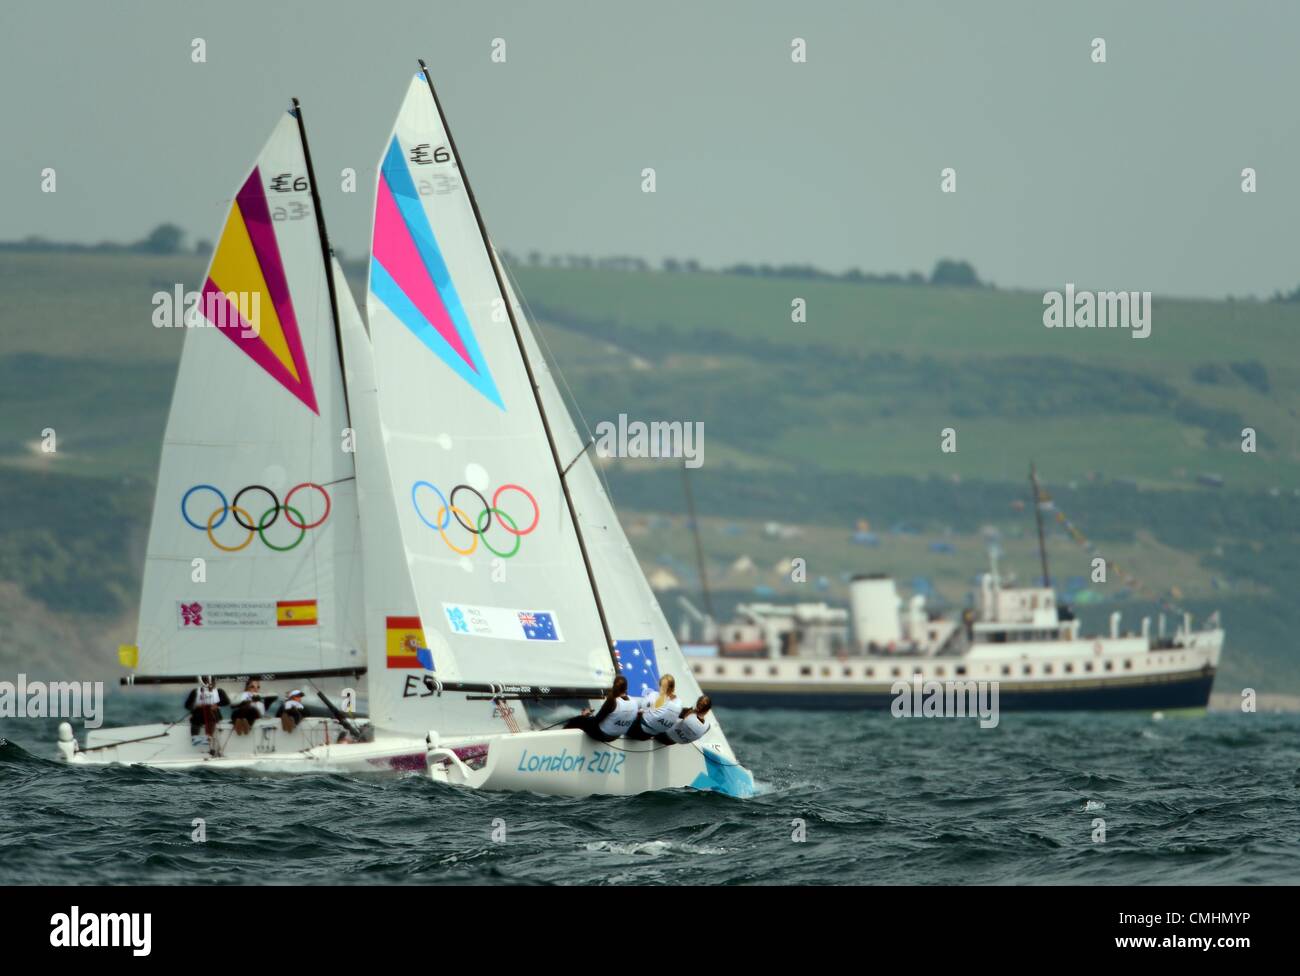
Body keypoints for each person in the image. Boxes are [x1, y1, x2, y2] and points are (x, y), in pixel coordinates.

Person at [564, 676, 638, 742]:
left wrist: (585, 716)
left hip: (603, 735)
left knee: (578, 720)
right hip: (616, 736)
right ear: (626, 688)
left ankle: (563, 733)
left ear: (614, 685)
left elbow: (596, 721)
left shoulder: (612, 700)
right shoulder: (634, 702)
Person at [626, 674, 682, 741]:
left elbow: (642, 707)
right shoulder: (679, 702)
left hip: (637, 730)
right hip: (649, 736)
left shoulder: (654, 695)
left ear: (660, 685)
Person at [184, 676, 229, 746]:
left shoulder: (219, 691)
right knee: (195, 720)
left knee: (211, 716)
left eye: (212, 683)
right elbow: (187, 705)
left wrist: (216, 704)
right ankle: (197, 740)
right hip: (198, 715)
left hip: (213, 714)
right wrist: (196, 706)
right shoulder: (195, 692)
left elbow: (226, 701)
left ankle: (208, 738)